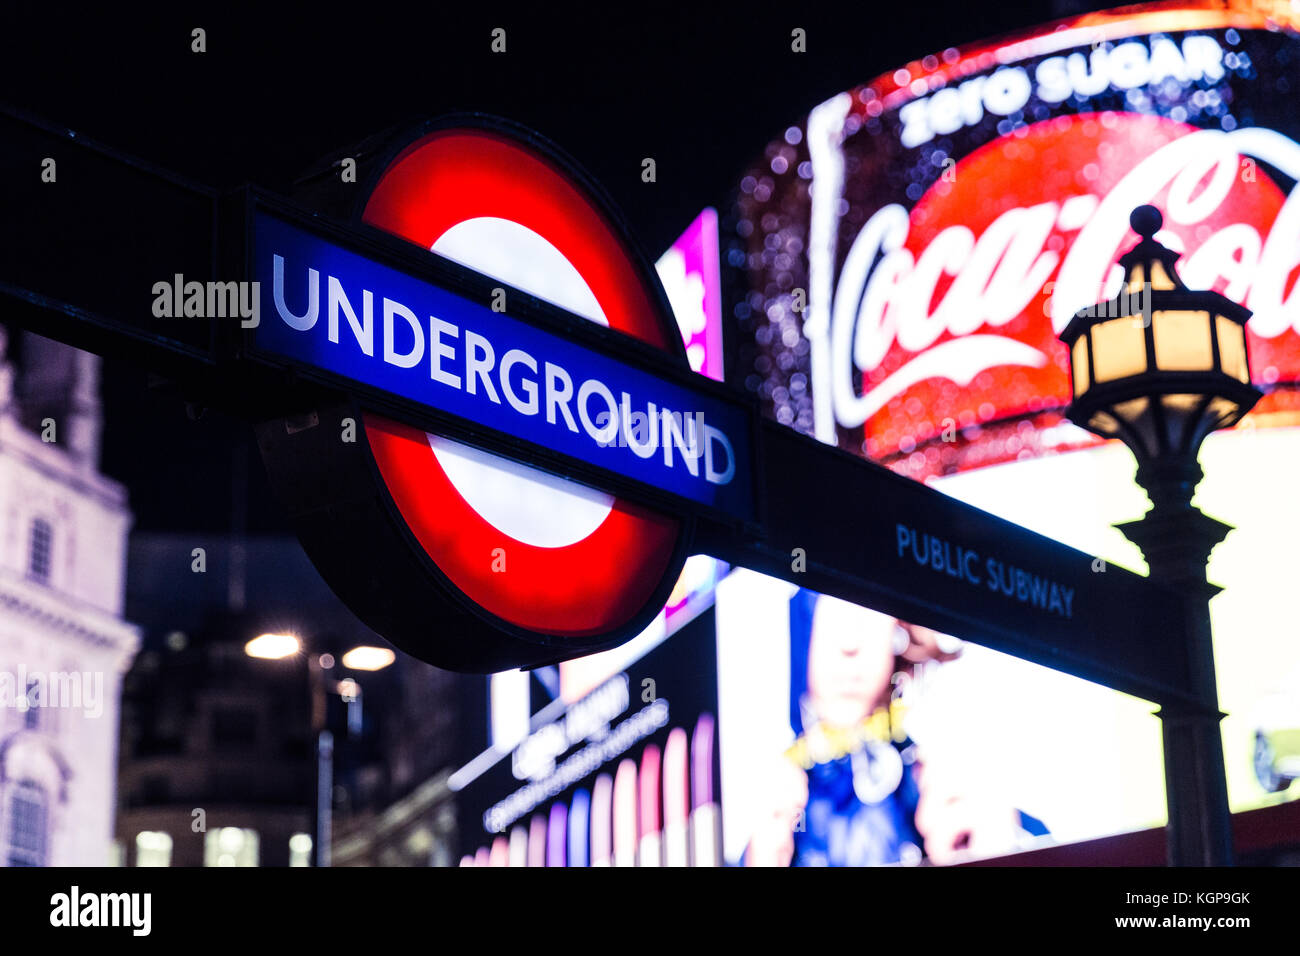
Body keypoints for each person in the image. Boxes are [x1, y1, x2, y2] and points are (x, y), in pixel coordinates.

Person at [745, 591, 1045, 866]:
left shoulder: (934, 781)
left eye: (867, 615)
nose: (850, 645)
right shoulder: (783, 811)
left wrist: (1004, 847)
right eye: (829, 621)